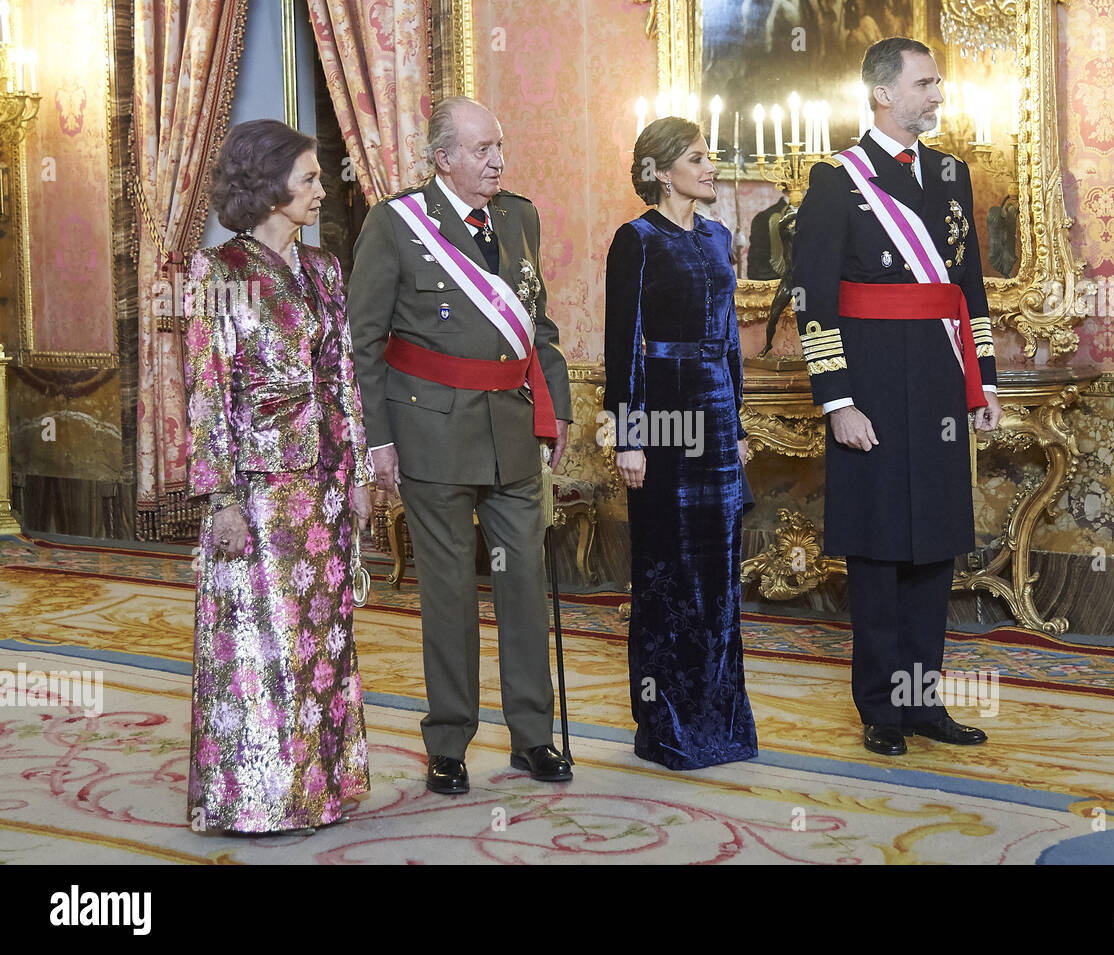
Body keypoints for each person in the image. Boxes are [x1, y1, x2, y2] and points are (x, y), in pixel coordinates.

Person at [347, 97, 573, 794]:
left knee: (524, 586)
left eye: (499, 145)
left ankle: (534, 735)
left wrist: (556, 407)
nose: (497, 160)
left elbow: (539, 325)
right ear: (443, 158)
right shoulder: (395, 225)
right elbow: (364, 342)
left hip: (510, 427)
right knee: (447, 593)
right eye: (481, 150)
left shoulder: (520, 215)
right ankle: (448, 739)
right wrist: (376, 440)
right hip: (430, 433)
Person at [792, 37, 1004, 757]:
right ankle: (881, 708)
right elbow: (813, 303)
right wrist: (837, 400)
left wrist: (985, 380)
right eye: (925, 83)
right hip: (872, 390)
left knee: (934, 551)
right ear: (883, 93)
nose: (937, 94)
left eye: (937, 82)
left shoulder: (951, 174)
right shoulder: (835, 181)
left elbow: (966, 289)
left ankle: (923, 701)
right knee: (880, 555)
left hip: (940, 387)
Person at [184, 119, 373, 833]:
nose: (323, 190)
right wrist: (222, 496)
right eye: (310, 179)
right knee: (262, 642)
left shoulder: (324, 268)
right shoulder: (219, 271)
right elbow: (207, 390)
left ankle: (320, 787)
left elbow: (343, 374)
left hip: (322, 481)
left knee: (320, 642)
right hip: (258, 489)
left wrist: (354, 468)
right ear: (268, 191)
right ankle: (256, 798)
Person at [604, 116, 759, 770]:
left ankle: (720, 723)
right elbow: (622, 343)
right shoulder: (635, 240)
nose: (710, 166)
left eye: (709, 156)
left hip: (718, 414)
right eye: (697, 158)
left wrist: (741, 419)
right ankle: (666, 722)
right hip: (663, 417)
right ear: (661, 171)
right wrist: (629, 435)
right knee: (669, 568)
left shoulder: (720, 235)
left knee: (719, 568)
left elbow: (727, 339)